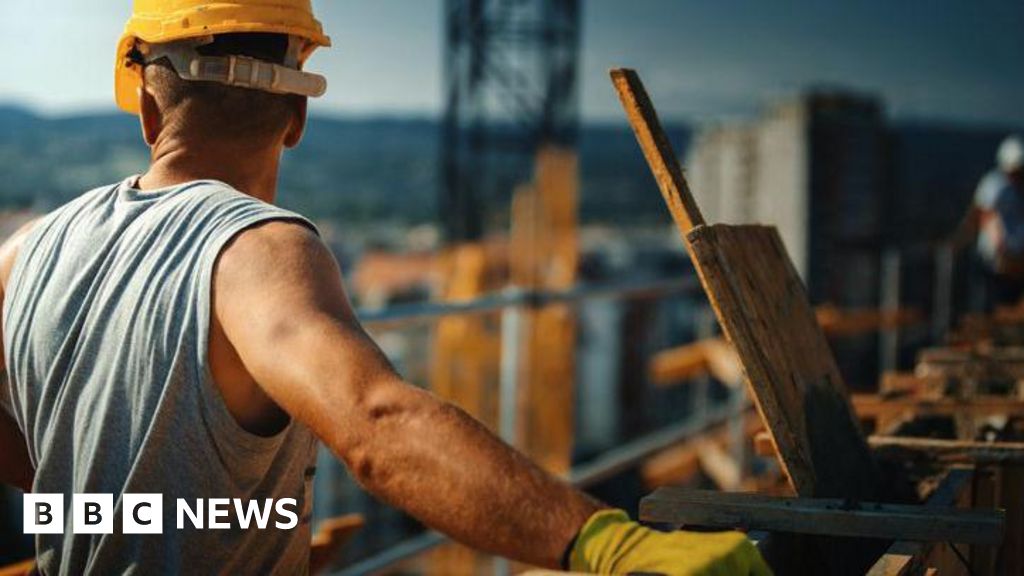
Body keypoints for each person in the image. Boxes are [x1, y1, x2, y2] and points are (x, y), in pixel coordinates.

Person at [0, 1, 769, 575]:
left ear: (145, 103)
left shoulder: (23, 251)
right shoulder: (258, 251)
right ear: (297, 113)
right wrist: (605, 540)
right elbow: (375, 425)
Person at [952, 135, 1024, 310]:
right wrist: (1000, 248)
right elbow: (985, 215)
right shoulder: (994, 185)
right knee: (993, 306)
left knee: (1009, 306)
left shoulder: (1014, 189)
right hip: (997, 262)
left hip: (1015, 262)